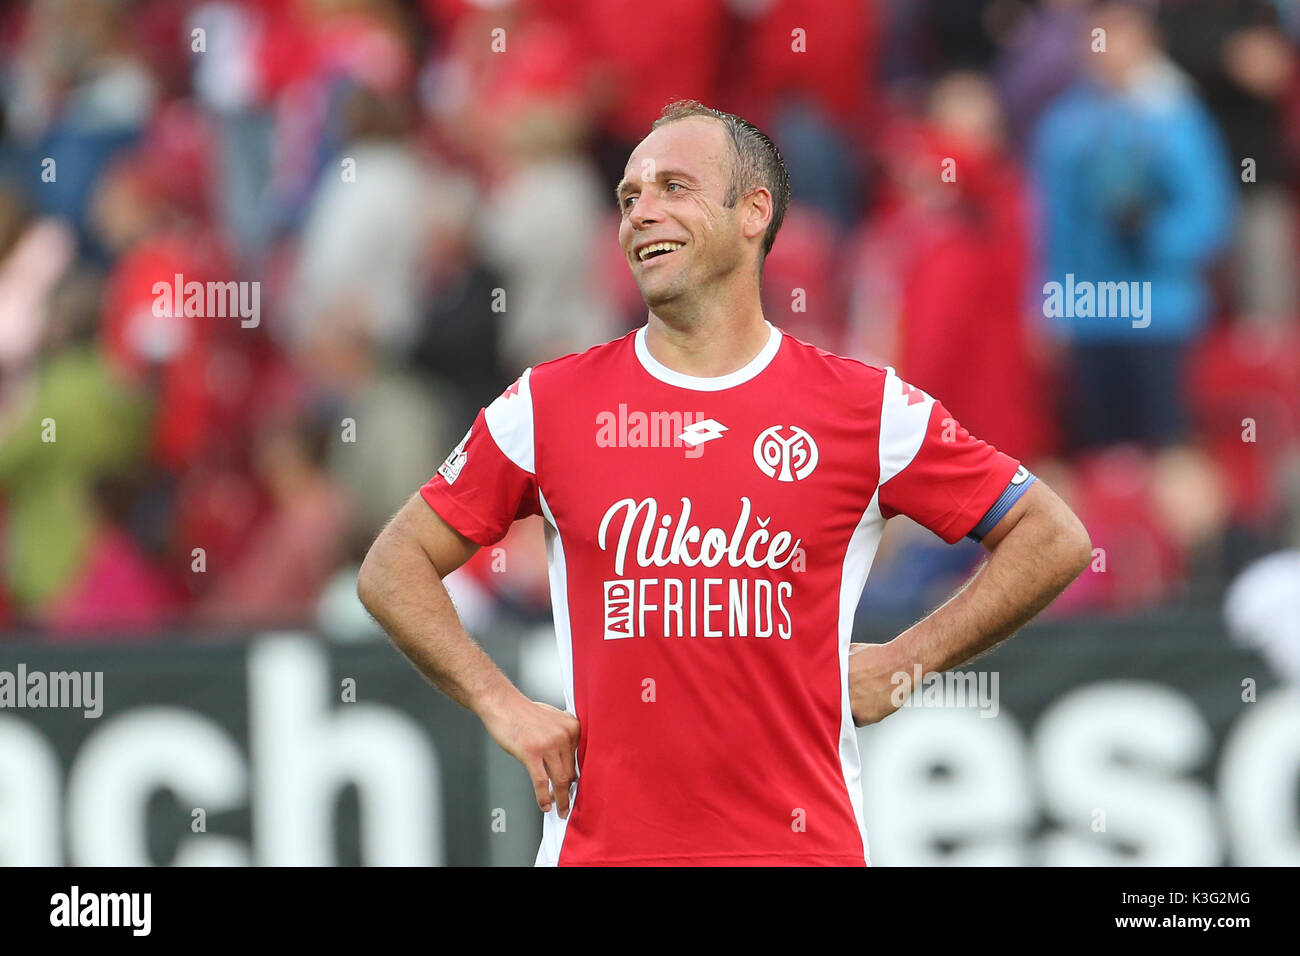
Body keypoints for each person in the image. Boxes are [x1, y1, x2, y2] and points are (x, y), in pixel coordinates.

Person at [357, 100, 1092, 866]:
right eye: (629, 196)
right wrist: (499, 702)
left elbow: (1052, 536)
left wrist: (907, 659)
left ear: (753, 212)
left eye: (674, 186)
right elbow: (392, 564)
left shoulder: (864, 408)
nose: (642, 211)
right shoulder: (548, 404)